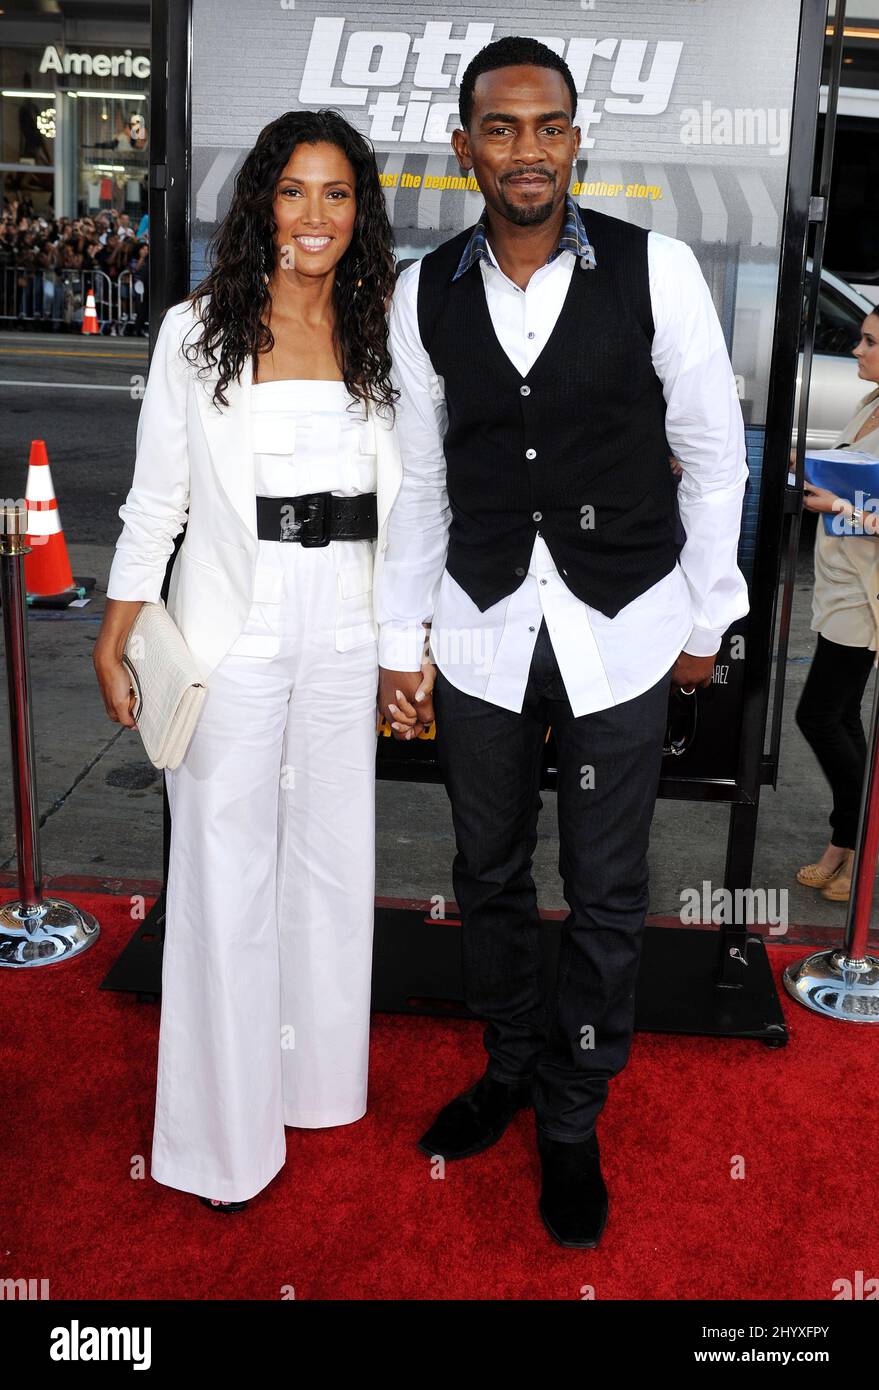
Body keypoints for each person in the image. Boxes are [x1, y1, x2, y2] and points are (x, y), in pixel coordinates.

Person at [377, 36, 749, 1250]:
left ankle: (574, 1115)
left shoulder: (662, 269)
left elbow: (712, 452)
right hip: (481, 631)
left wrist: (705, 615)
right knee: (486, 873)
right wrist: (404, 637)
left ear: (577, 139)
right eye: (500, 128)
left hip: (624, 627)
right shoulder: (420, 291)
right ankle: (509, 1064)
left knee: (607, 885)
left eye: (547, 128)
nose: (525, 150)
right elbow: (421, 484)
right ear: (465, 146)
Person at [93, 109, 423, 1213]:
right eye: (293, 192)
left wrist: (398, 648)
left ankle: (316, 1086)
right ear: (259, 205)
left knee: (332, 868)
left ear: (359, 211)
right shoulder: (197, 333)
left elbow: (415, 503)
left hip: (343, 630)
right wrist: (116, 627)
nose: (315, 217)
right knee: (224, 876)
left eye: (337, 195)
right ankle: (219, 1142)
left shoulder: (385, 328)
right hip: (233, 633)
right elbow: (158, 500)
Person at [795, 308, 879, 901]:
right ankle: (846, 848)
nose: (856, 349)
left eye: (870, 341)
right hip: (839, 585)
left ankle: (859, 842)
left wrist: (836, 507)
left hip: (864, 599)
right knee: (841, 717)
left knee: (818, 716)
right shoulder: (871, 405)